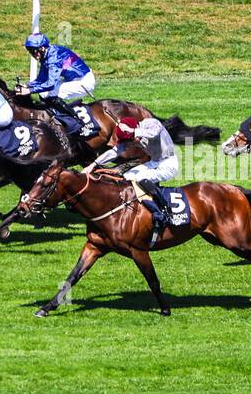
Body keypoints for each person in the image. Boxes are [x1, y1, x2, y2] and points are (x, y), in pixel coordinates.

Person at [84, 116, 178, 247]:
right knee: (127, 176)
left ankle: (161, 211)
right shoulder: (131, 136)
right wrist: (93, 165)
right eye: (130, 141)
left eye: (132, 139)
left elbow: (154, 132)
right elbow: (114, 152)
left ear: (136, 127)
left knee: (139, 178)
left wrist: (132, 131)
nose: (133, 143)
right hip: (154, 162)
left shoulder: (151, 123)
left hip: (169, 164)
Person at [16, 32, 96, 122]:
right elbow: (42, 79)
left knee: (51, 92)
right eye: (30, 51)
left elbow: (51, 84)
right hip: (75, 79)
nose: (33, 54)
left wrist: (29, 90)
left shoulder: (53, 58)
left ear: (42, 48)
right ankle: (53, 116)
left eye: (34, 51)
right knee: (43, 93)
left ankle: (75, 120)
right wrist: (27, 85)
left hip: (84, 82)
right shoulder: (47, 54)